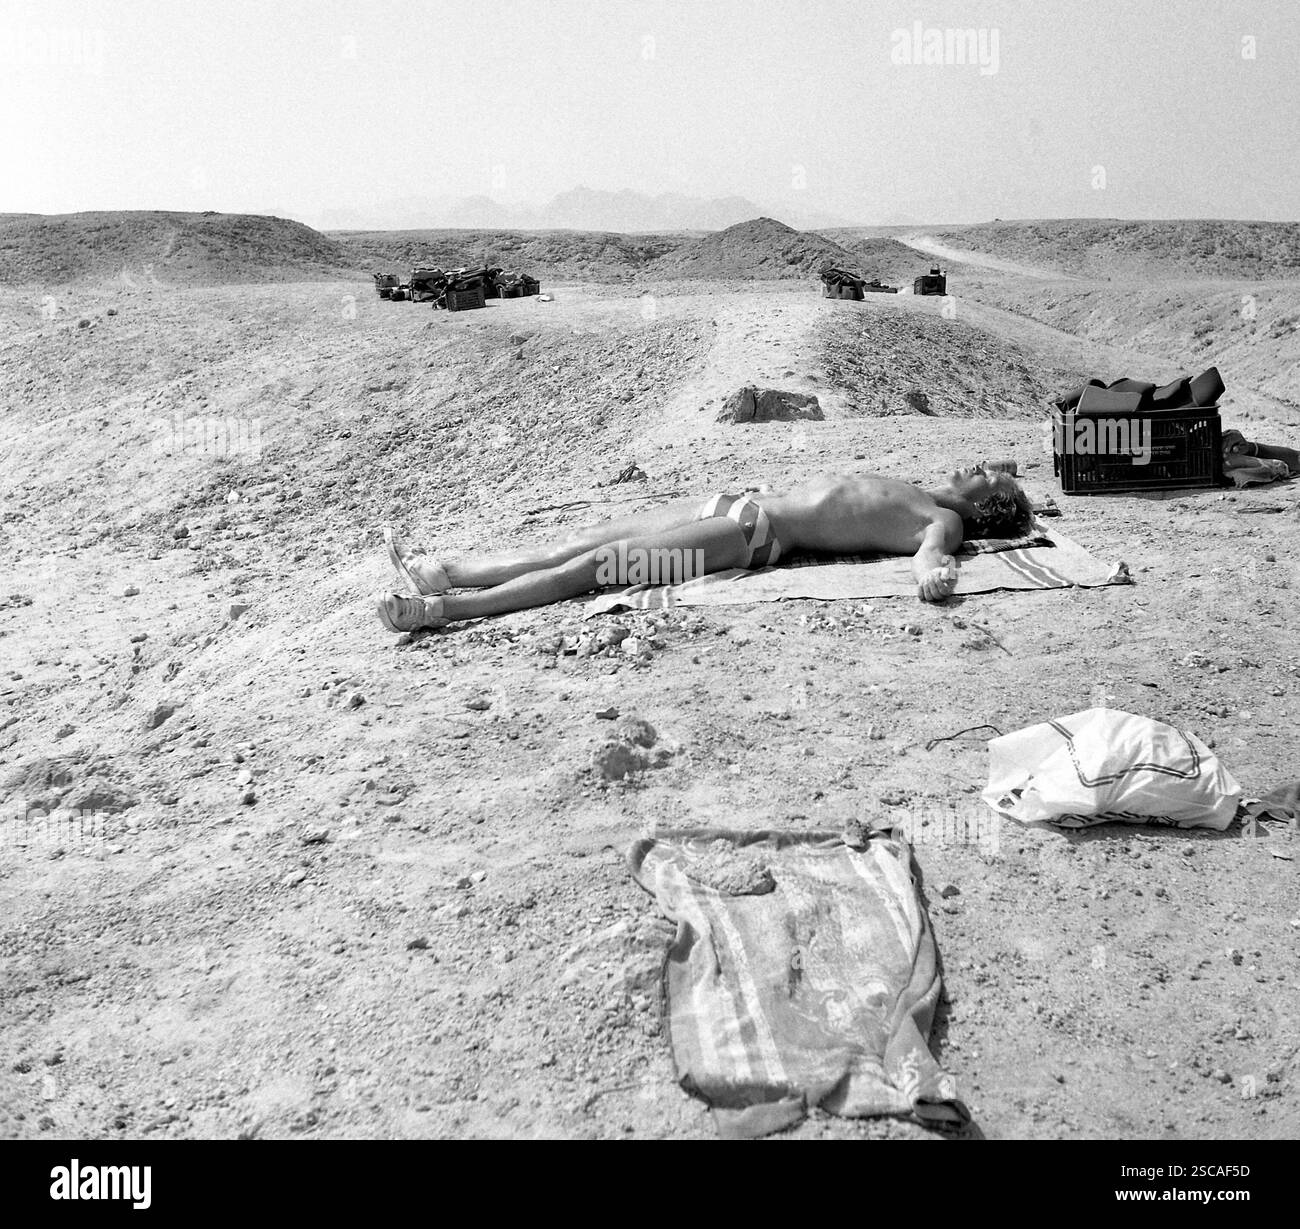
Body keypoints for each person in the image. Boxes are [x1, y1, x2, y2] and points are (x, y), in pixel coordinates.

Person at [375, 465, 1033, 632]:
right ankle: (444, 570)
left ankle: (441, 612)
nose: (978, 466)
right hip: (739, 502)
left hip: (754, 534)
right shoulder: (926, 492)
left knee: (595, 571)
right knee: (587, 542)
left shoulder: (944, 522)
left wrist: (934, 575)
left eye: (988, 475)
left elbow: (932, 559)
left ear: (985, 505)